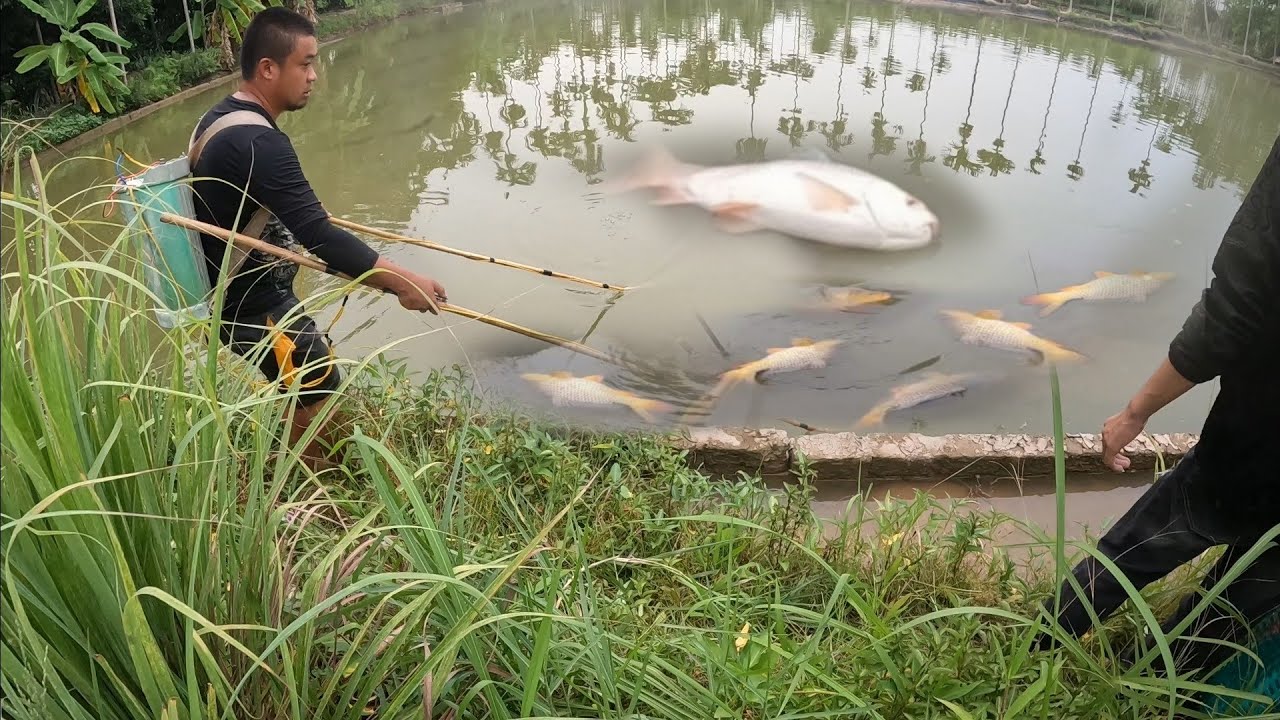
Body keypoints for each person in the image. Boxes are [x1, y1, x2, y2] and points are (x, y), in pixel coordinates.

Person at [1035, 132, 1279, 685]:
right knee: (1235, 603)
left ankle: (1036, 646)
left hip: (1254, 442)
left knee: (1138, 549)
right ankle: (1147, 688)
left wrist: (1135, 412)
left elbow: (1233, 310)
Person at [190, 7, 447, 469]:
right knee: (317, 385)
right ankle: (308, 494)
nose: (314, 76)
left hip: (234, 293)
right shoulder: (259, 142)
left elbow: (274, 208)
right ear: (268, 69)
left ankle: (293, 475)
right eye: (305, 64)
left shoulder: (221, 118)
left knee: (302, 383)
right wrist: (402, 282)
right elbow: (319, 237)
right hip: (251, 304)